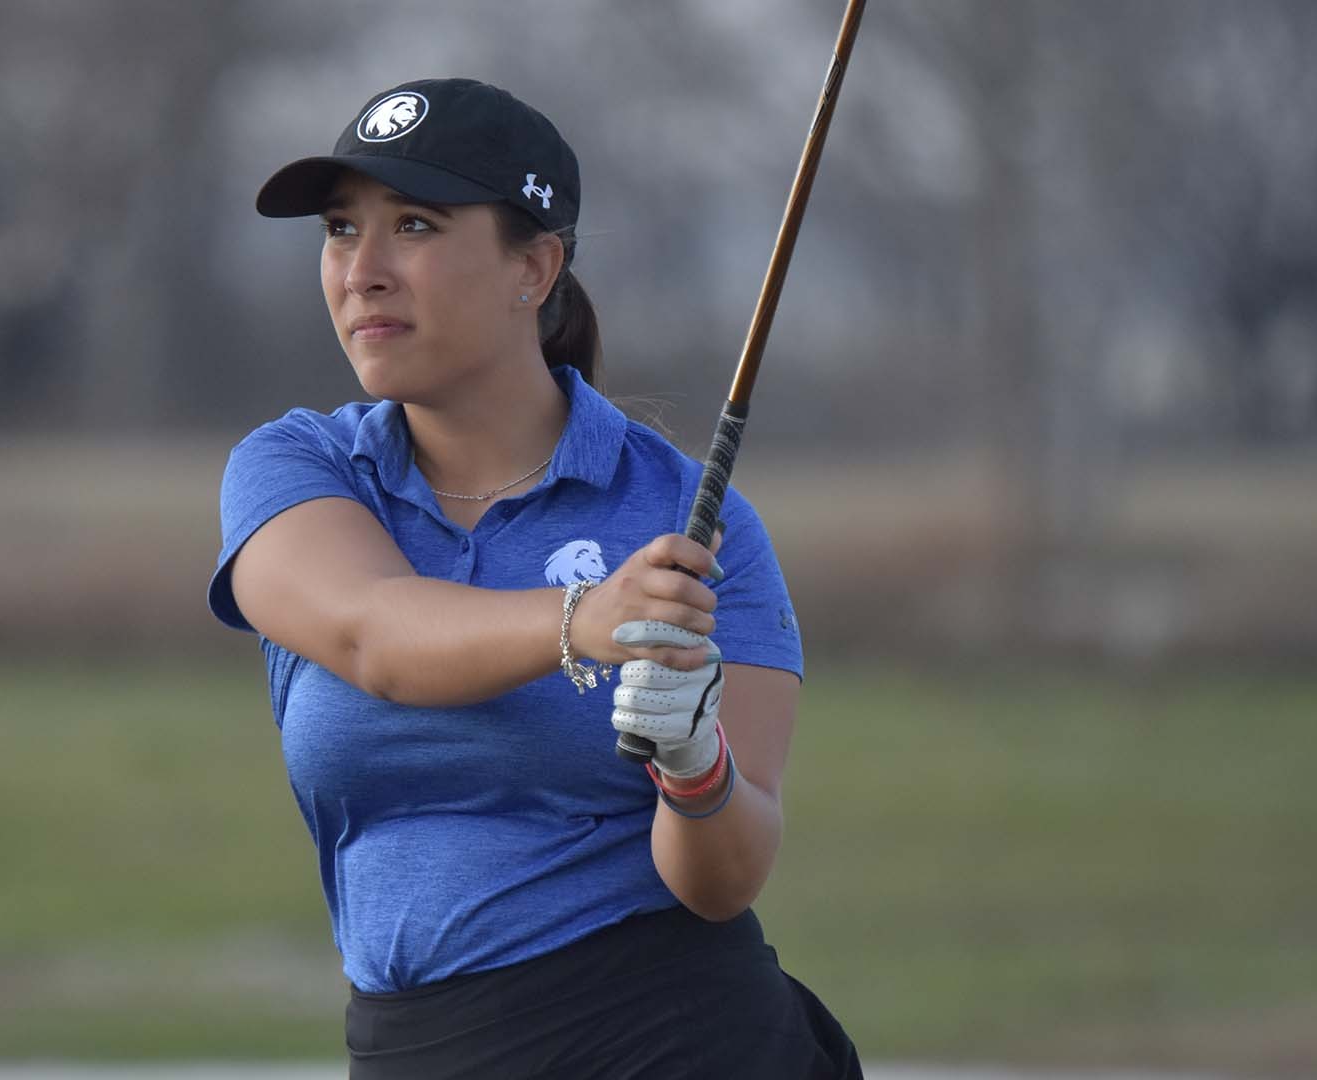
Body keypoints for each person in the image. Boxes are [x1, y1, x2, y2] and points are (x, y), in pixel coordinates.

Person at [208, 77, 860, 1078]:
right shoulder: (299, 470)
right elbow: (374, 635)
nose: (363, 271)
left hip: (675, 1041)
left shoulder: (684, 520)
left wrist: (694, 765)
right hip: (417, 1047)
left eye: (414, 225)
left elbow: (724, 880)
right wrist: (585, 621)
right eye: (342, 230)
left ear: (535, 266)